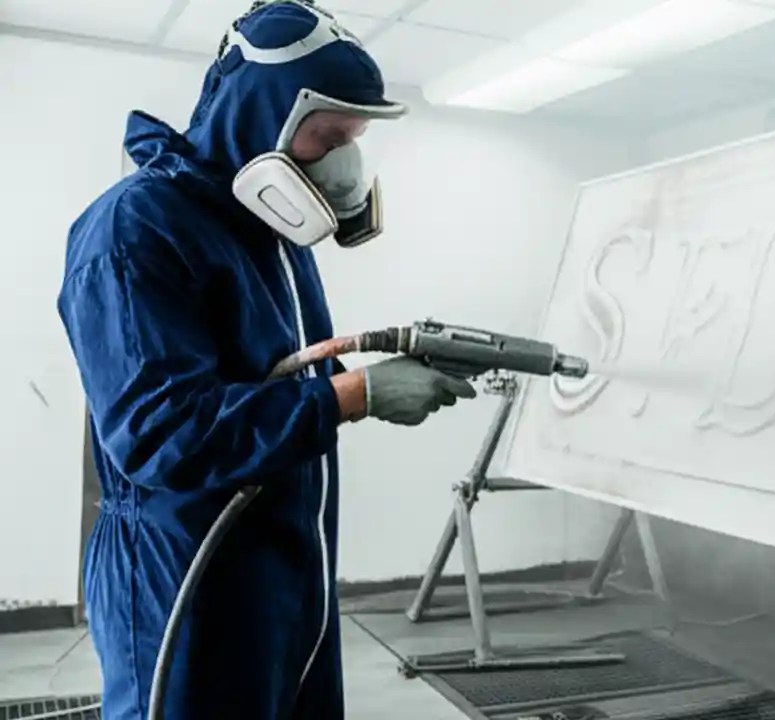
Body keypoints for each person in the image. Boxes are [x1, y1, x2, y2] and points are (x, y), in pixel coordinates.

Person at [56, 1, 473, 717]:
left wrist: (355, 381)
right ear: (261, 117)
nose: (346, 160)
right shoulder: (134, 229)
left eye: (356, 136)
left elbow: (273, 378)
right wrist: (354, 397)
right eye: (329, 135)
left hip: (284, 562)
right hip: (184, 573)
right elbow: (163, 434)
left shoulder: (270, 234)